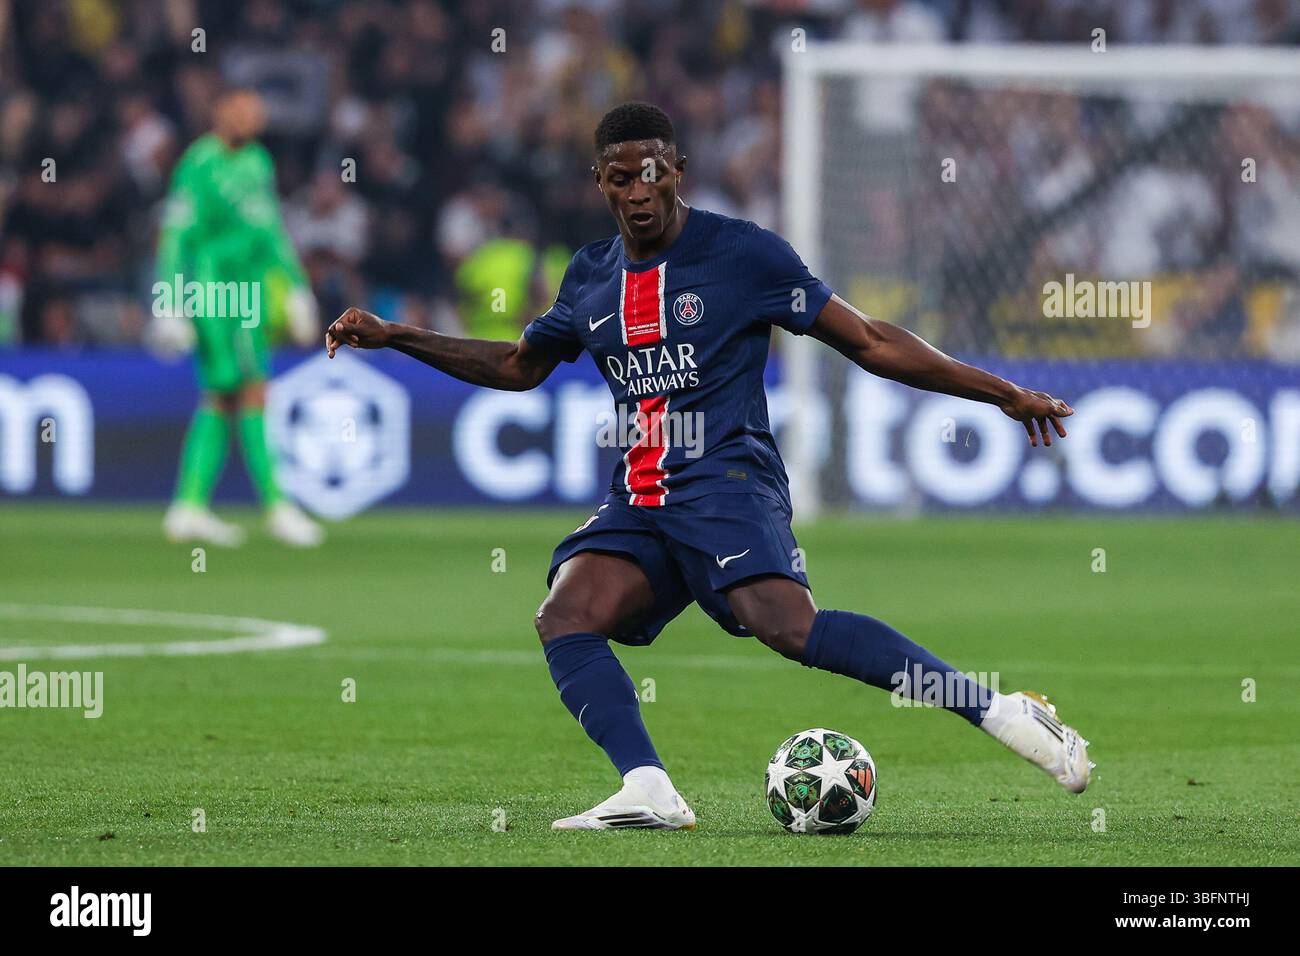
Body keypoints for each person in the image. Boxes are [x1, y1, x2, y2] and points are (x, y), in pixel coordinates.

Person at [325, 103, 1091, 830]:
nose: (639, 192)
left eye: (652, 174)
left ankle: (999, 710)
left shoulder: (744, 254)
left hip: (728, 476)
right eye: (621, 179)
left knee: (787, 627)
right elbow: (518, 365)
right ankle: (647, 788)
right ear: (600, 183)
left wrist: (1001, 393)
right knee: (567, 613)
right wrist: (397, 336)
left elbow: (869, 340)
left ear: (678, 171)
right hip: (641, 491)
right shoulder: (590, 276)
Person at [152, 89, 323, 548]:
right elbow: (176, 235)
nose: (253, 119)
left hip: (251, 290)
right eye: (244, 111)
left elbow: (270, 232)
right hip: (217, 291)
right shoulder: (200, 162)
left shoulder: (257, 162)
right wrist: (169, 300)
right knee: (252, 392)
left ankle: (189, 505)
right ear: (221, 113)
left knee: (221, 398)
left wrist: (297, 288)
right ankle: (276, 506)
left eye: (257, 112)